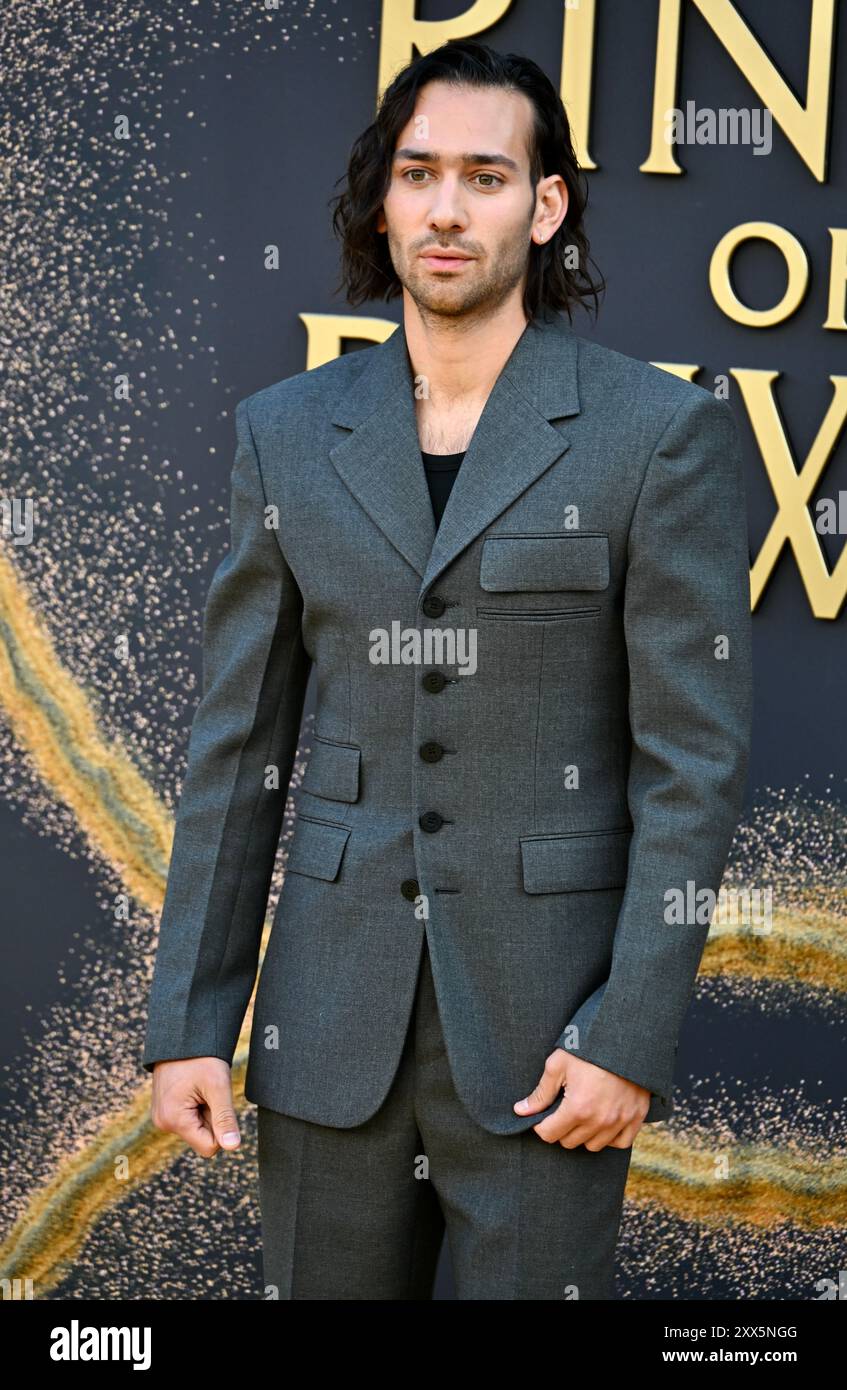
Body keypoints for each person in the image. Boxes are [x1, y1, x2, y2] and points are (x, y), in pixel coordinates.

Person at [143, 39, 753, 1300]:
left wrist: (627, 1037)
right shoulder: (285, 434)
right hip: (324, 1029)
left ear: (545, 205)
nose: (445, 208)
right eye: (418, 173)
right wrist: (192, 1024)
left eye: (486, 175)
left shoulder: (657, 435)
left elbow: (690, 764)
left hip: (549, 1051)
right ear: (383, 199)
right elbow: (238, 752)